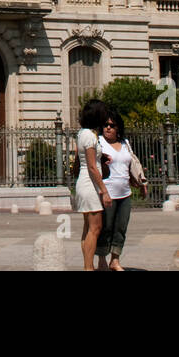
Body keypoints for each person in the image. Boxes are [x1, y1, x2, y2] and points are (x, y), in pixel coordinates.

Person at [96, 114, 148, 271]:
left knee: (121, 227)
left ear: (118, 127)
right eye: (105, 125)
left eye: (112, 125)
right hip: (107, 191)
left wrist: (141, 183)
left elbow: (133, 164)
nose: (108, 128)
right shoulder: (99, 143)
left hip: (125, 192)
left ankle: (115, 260)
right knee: (106, 227)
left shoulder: (125, 143)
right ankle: (102, 259)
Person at [74, 99, 113, 271]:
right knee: (95, 228)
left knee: (87, 228)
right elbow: (91, 166)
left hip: (83, 183)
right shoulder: (90, 136)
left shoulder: (82, 133)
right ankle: (89, 268)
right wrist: (104, 191)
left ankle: (87, 266)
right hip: (90, 184)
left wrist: (100, 157)